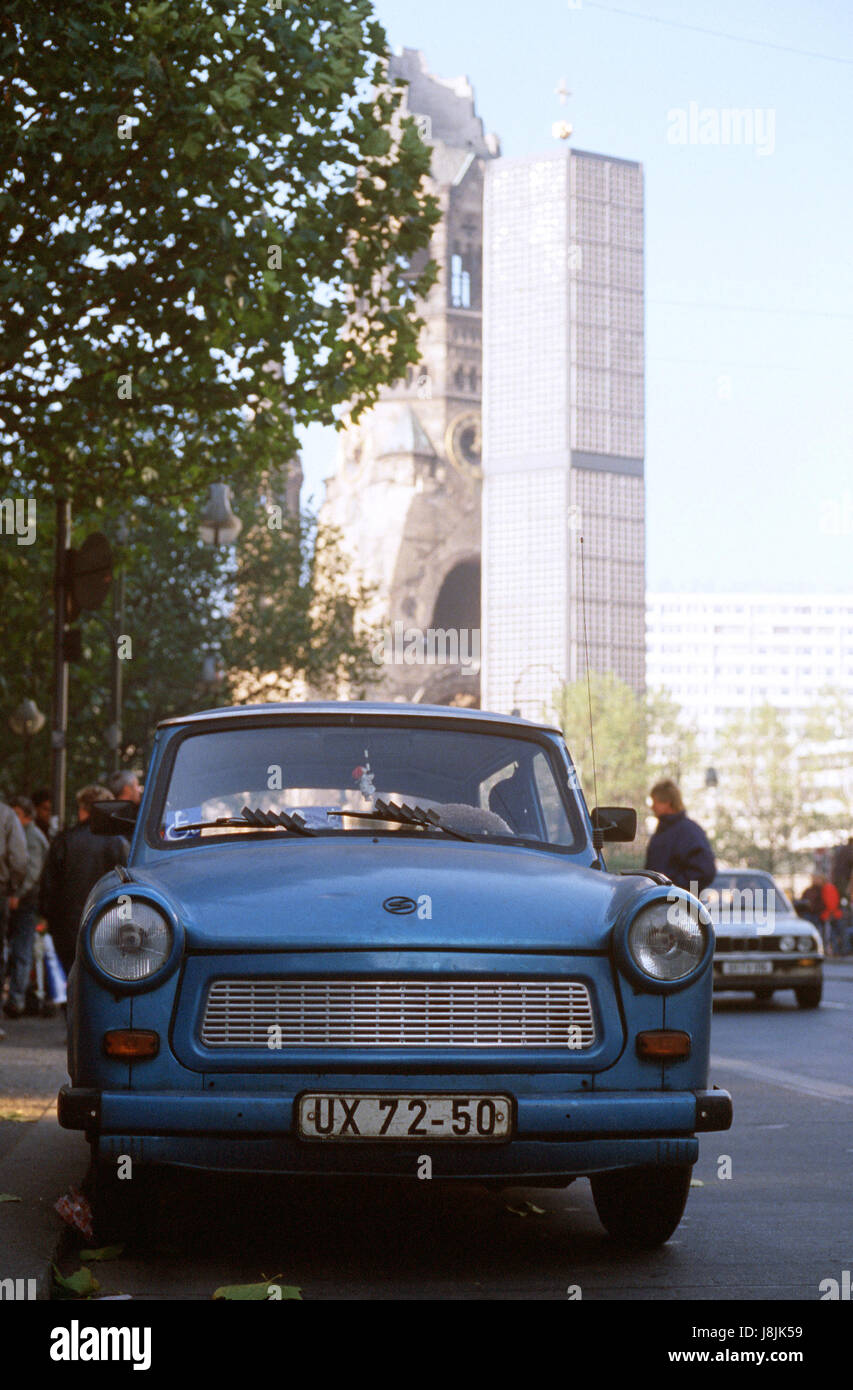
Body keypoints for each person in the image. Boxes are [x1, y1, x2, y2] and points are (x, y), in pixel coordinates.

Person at [39, 784, 128, 977]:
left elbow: (49, 885)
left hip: (67, 925)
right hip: (108, 923)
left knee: (74, 976)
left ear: (82, 809)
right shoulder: (119, 842)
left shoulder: (64, 840)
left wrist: (49, 917)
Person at [4, 796, 49, 1018]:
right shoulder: (28, 834)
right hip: (24, 899)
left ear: (26, 815)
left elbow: (31, 870)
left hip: (26, 900)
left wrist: (17, 894)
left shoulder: (30, 836)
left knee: (21, 949)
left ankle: (17, 999)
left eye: (16, 814)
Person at [644, 779, 716, 895]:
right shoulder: (661, 833)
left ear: (667, 802)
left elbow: (705, 871)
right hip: (657, 905)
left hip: (678, 907)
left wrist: (675, 889)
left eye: (654, 802)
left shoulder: (689, 832)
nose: (652, 807)